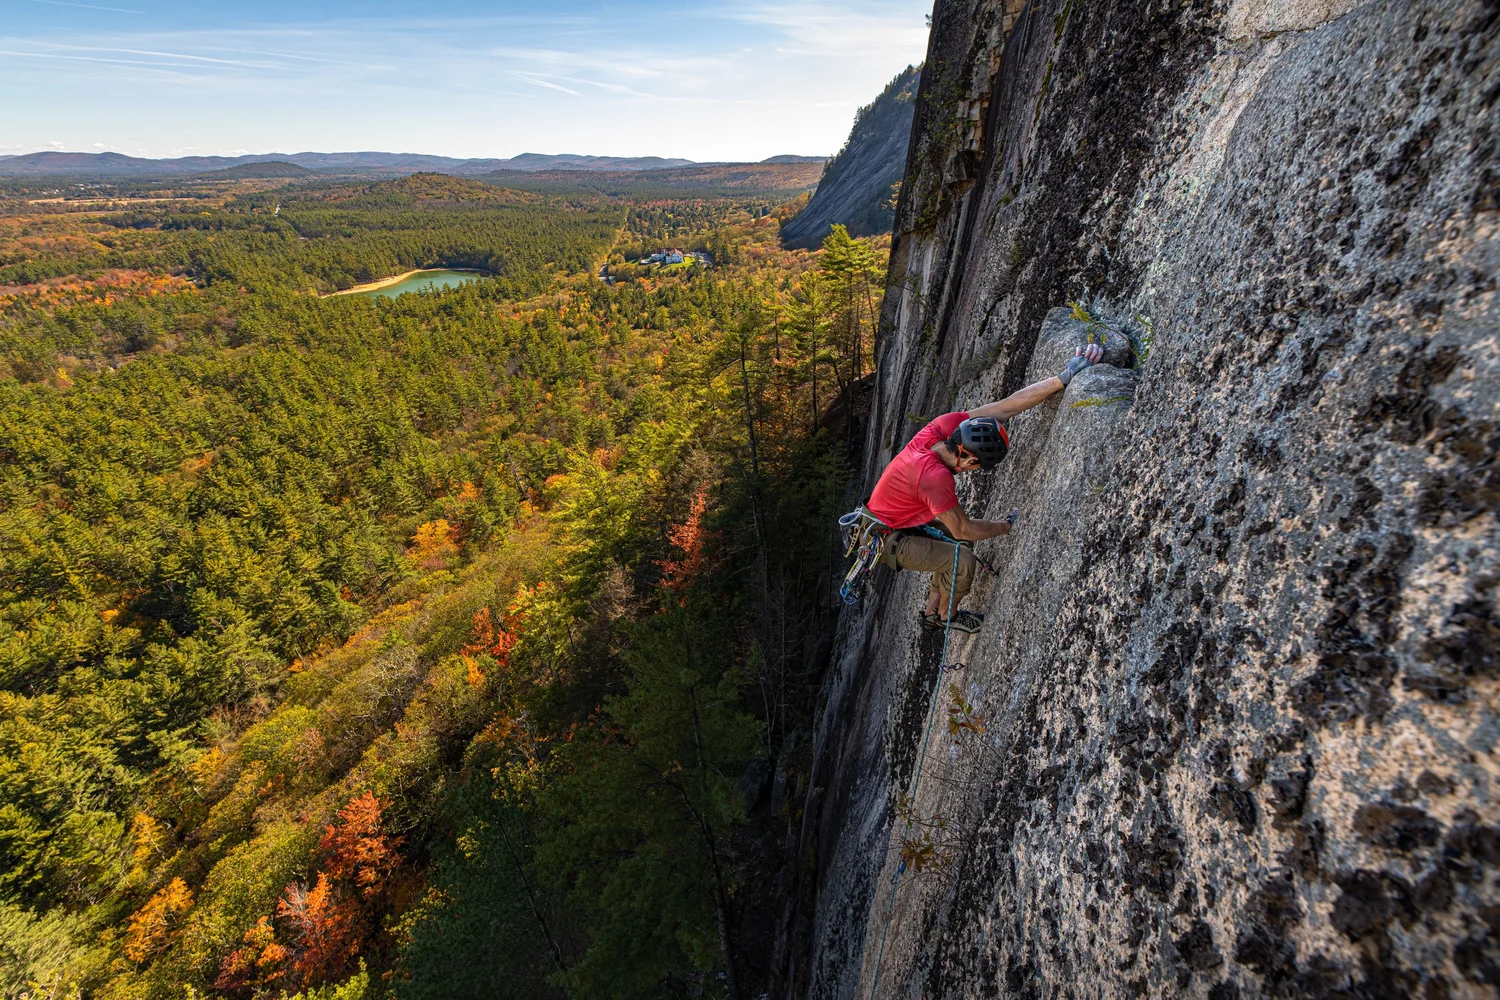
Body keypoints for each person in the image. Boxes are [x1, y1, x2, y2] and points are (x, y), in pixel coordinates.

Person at [864, 342, 1104, 633]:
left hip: (888, 521)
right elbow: (963, 529)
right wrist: (1007, 527)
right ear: (968, 458)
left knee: (955, 542)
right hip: (885, 539)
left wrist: (1063, 378)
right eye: (978, 466)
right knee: (961, 558)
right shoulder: (934, 477)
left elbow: (1004, 408)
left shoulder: (942, 428)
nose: (974, 472)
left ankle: (931, 608)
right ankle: (944, 618)